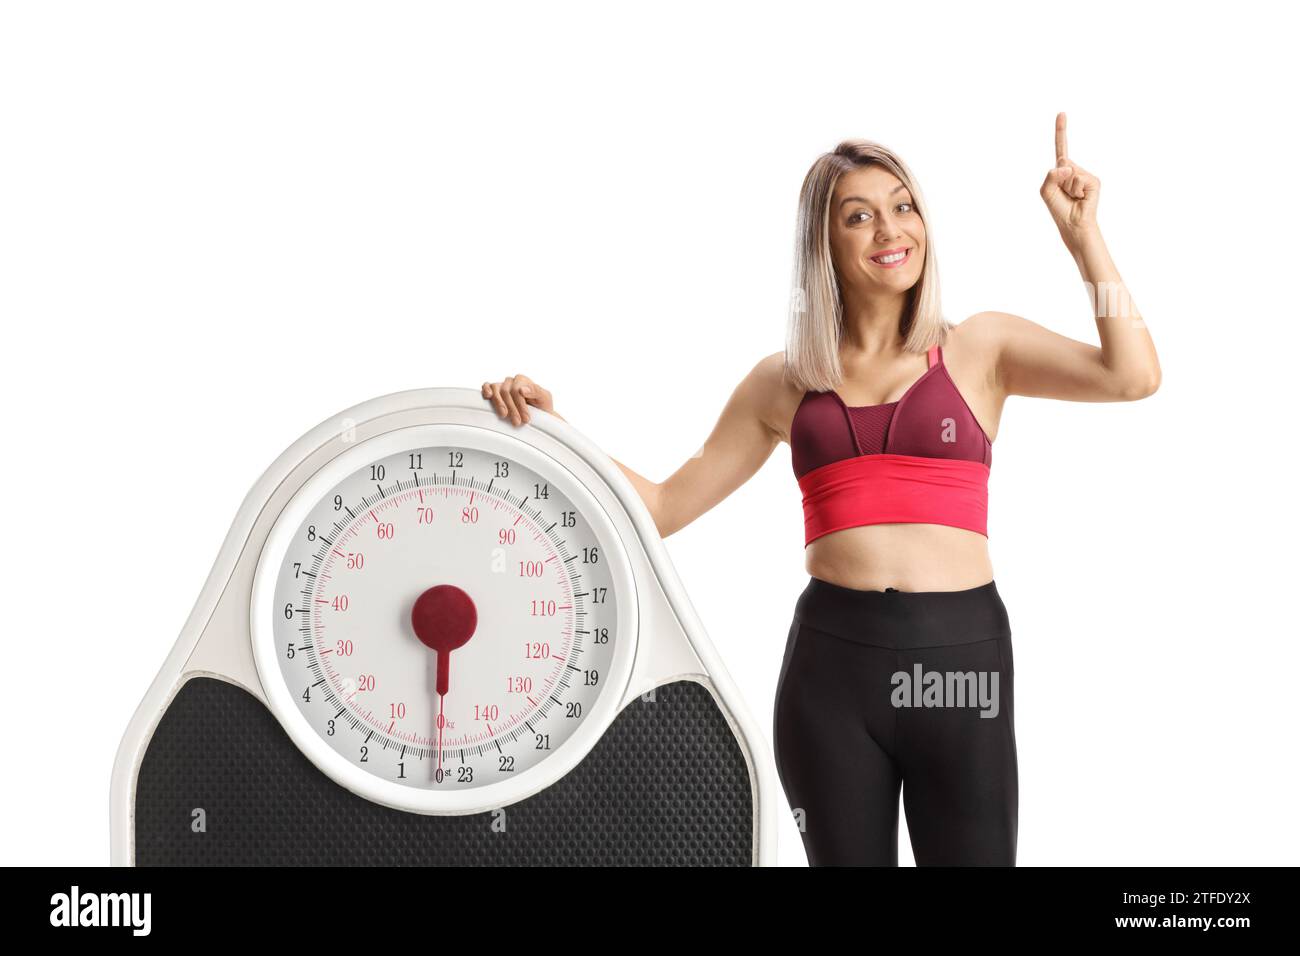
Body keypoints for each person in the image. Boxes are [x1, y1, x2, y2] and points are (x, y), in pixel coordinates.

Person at [482, 113, 1160, 866]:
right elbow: (665, 507)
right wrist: (553, 430)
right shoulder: (784, 381)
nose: (889, 230)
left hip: (961, 664)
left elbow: (1131, 376)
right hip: (832, 674)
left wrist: (1084, 240)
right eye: (859, 216)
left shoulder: (981, 348)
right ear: (824, 244)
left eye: (903, 207)